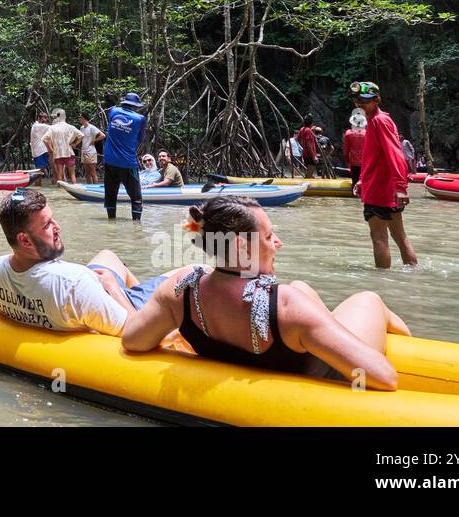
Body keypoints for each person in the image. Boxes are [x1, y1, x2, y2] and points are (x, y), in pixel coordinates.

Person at [119, 195, 410, 389]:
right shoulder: (285, 305)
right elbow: (385, 378)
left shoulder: (181, 288)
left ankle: (328, 331)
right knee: (369, 299)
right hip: (320, 377)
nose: (278, 243)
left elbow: (133, 340)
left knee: (302, 287)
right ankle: (409, 347)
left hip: (276, 345)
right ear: (241, 248)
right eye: (269, 237)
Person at [0, 190, 181, 335]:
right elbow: (135, 332)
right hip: (122, 308)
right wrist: (113, 289)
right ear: (25, 240)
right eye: (47, 225)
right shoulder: (74, 283)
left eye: (53, 220)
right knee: (194, 271)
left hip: (86, 298)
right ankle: (145, 306)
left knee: (107, 255)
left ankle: (138, 294)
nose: (57, 227)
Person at [351, 81, 418, 268]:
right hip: (382, 188)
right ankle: (413, 274)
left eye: (364, 101)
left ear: (377, 100)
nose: (359, 105)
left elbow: (395, 154)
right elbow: (376, 157)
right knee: (399, 235)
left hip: (380, 190)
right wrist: (362, 180)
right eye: (357, 101)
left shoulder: (379, 121)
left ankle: (380, 285)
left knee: (379, 238)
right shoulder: (376, 120)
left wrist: (400, 187)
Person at [103, 93, 146, 221]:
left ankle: (111, 221)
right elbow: (140, 139)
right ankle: (137, 226)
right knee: (136, 198)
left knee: (110, 195)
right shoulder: (140, 119)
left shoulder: (113, 111)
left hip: (109, 161)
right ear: (136, 106)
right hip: (128, 163)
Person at [42, 109, 82, 184]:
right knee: (72, 175)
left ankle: (60, 191)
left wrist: (51, 150)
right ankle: (75, 192)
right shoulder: (70, 127)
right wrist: (75, 143)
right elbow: (81, 135)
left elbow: (44, 139)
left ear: (58, 117)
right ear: (65, 116)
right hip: (69, 152)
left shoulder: (52, 128)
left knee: (59, 176)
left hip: (58, 154)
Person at [77, 115, 104, 184]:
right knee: (87, 172)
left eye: (81, 118)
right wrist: (74, 144)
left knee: (92, 172)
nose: (79, 120)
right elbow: (80, 138)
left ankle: (96, 188)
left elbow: (102, 135)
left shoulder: (91, 127)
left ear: (85, 119)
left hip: (91, 152)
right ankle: (89, 187)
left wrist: (94, 140)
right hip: (84, 151)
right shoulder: (82, 128)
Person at [343, 112, 367, 187]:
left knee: (355, 183)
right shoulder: (367, 133)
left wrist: (347, 160)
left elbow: (346, 151)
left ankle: (355, 196)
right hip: (366, 163)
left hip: (354, 163)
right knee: (365, 183)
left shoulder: (348, 133)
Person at [29, 112, 51, 180]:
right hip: (39, 152)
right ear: (39, 118)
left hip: (41, 151)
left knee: (40, 170)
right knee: (39, 171)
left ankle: (39, 185)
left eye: (46, 118)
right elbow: (52, 128)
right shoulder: (37, 126)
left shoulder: (39, 126)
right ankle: (38, 185)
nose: (45, 121)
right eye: (43, 119)